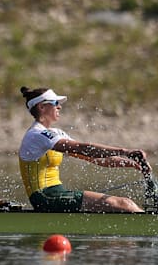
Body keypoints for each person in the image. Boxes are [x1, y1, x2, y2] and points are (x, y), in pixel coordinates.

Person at [18, 86, 147, 212]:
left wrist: (132, 164)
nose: (59, 106)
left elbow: (96, 158)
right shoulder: (36, 134)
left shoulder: (56, 133)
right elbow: (82, 148)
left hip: (57, 193)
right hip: (44, 198)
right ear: (41, 107)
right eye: (55, 103)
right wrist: (125, 152)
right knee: (124, 204)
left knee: (125, 203)